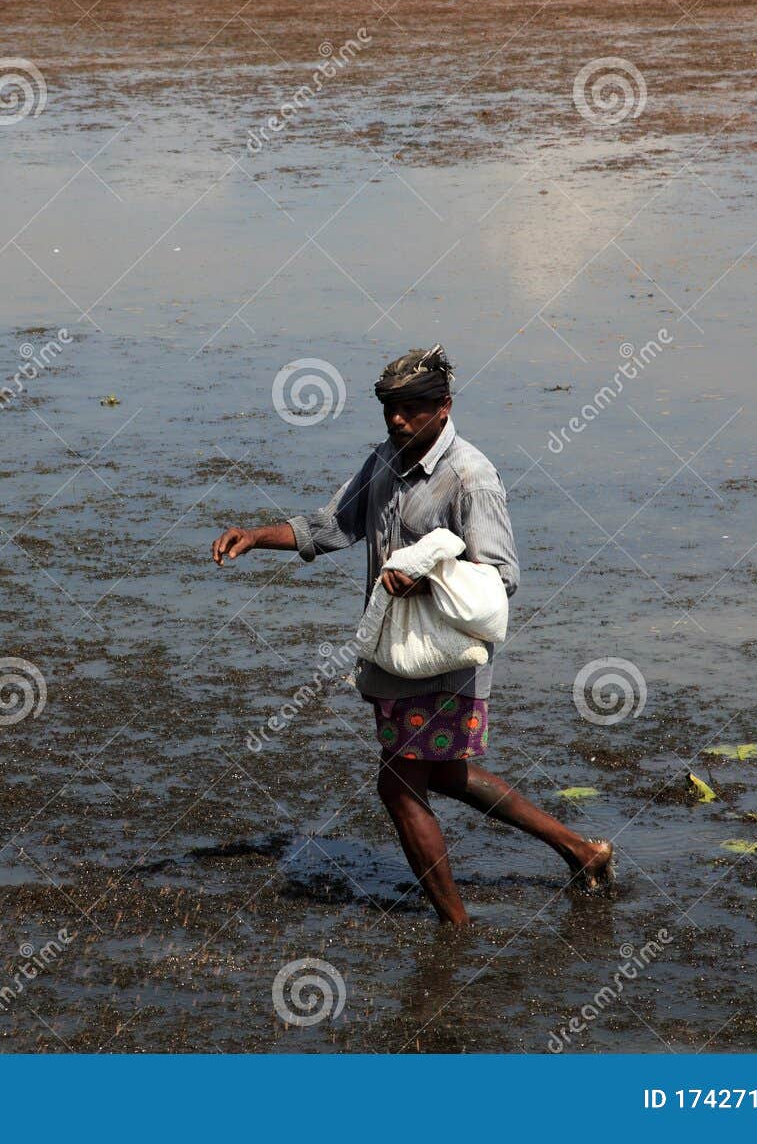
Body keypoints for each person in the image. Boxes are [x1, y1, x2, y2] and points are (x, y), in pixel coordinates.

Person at [211, 347, 614, 924]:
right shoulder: (383, 461)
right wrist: (256, 536)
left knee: (398, 785)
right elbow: (332, 527)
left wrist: (422, 581)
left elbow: (503, 576)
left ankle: (456, 924)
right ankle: (582, 850)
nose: (398, 419)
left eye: (411, 408)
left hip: (446, 660)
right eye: (390, 408)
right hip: (396, 655)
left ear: (444, 408)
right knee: (444, 772)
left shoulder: (471, 478)